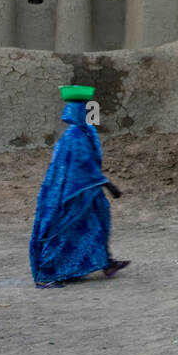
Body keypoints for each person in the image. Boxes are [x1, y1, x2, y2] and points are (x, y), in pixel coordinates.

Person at [29, 85, 130, 289]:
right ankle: (46, 273)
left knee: (97, 223)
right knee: (62, 232)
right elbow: (84, 166)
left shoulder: (81, 133)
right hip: (70, 195)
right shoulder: (75, 136)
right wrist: (109, 185)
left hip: (83, 193)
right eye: (84, 109)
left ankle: (106, 263)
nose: (88, 112)